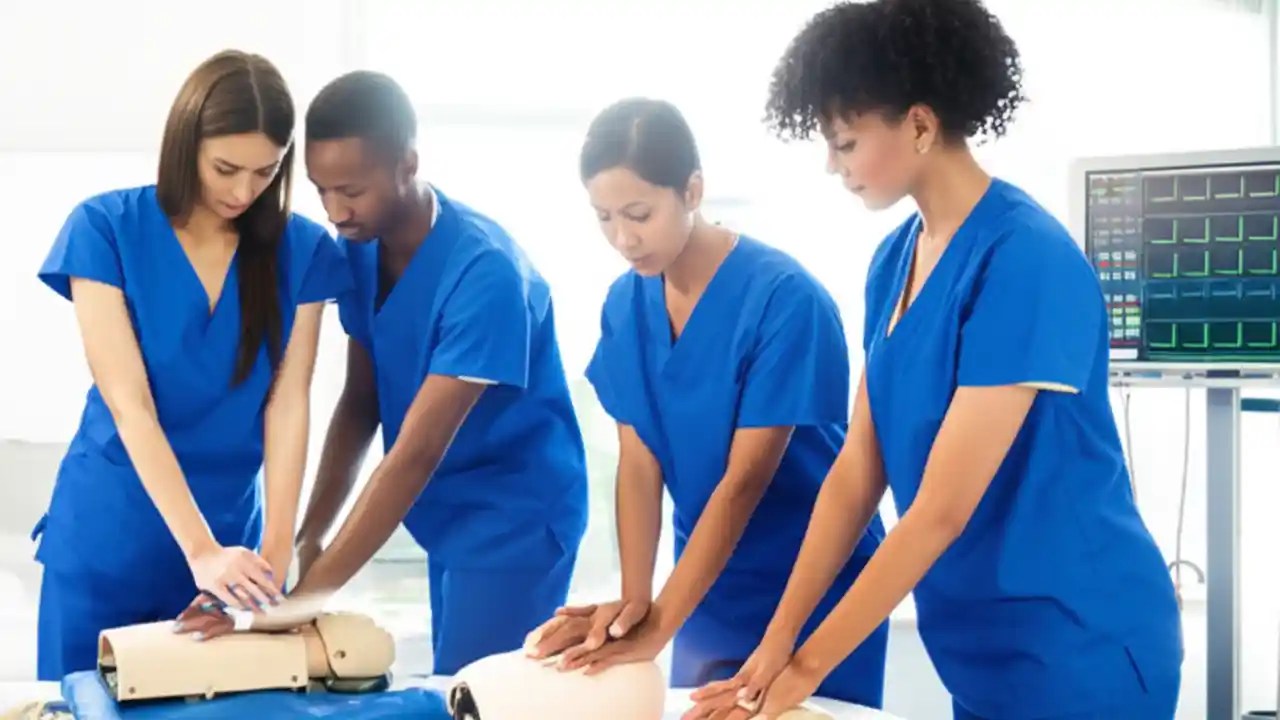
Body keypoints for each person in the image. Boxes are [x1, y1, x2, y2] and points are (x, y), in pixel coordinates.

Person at [685, 2, 1185, 719]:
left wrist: (803, 670)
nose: (833, 165)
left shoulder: (1025, 259)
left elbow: (941, 510)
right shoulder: (894, 262)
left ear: (919, 125)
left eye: (847, 142)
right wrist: (775, 643)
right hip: (978, 648)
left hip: (1078, 643)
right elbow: (856, 475)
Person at [177, 71, 590, 675]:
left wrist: (311, 596)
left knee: (479, 695)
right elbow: (359, 403)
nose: (336, 212)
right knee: (453, 687)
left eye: (352, 190)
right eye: (321, 191)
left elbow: (413, 454)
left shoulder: (486, 275)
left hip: (516, 522)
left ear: (407, 164)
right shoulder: (361, 245)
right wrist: (309, 536)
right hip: (447, 512)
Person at [524, 98, 888, 708]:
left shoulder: (784, 298)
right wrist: (638, 603)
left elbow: (744, 481)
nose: (622, 237)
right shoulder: (626, 303)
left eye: (639, 213)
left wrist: (662, 622)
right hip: (705, 584)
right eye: (604, 217)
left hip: (813, 584)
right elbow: (638, 464)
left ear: (692, 190)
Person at [32, 50, 352, 680]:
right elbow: (130, 403)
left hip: (233, 552)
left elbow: (288, 403)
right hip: (111, 529)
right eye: (225, 168)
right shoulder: (104, 228)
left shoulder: (304, 250)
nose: (242, 192)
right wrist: (199, 550)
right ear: (186, 144)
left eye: (265, 172)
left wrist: (276, 552)